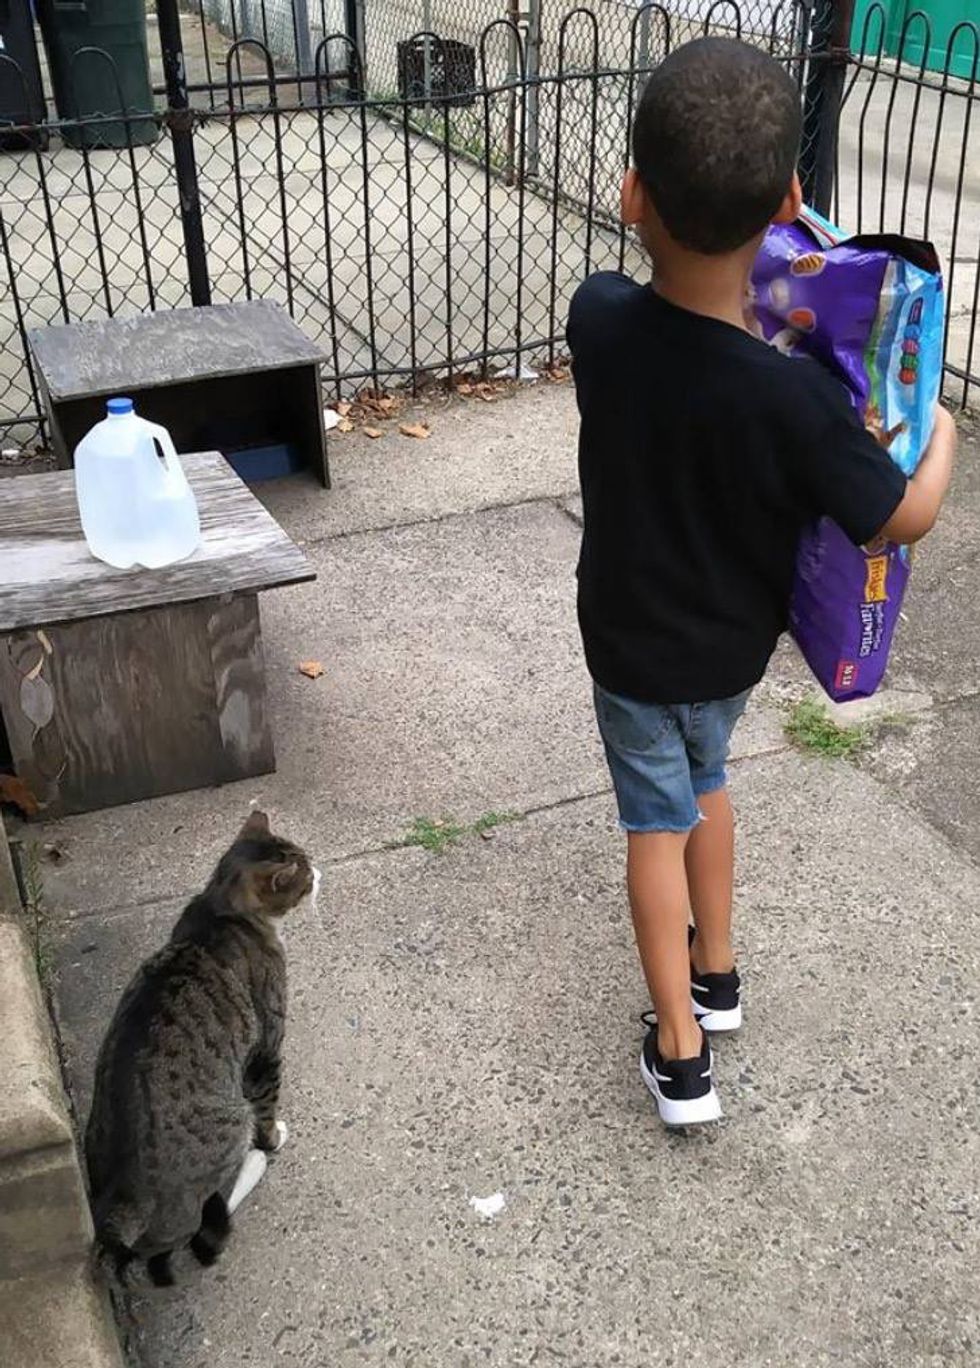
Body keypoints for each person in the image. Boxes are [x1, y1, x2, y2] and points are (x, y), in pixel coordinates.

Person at [566, 37, 956, 1126]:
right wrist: (940, 435)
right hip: (730, 651)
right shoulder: (792, 405)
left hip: (631, 647)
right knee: (708, 784)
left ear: (631, 191)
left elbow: (651, 335)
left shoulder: (596, 318)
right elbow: (897, 514)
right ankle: (718, 974)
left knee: (653, 821)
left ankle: (680, 1052)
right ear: (789, 197)